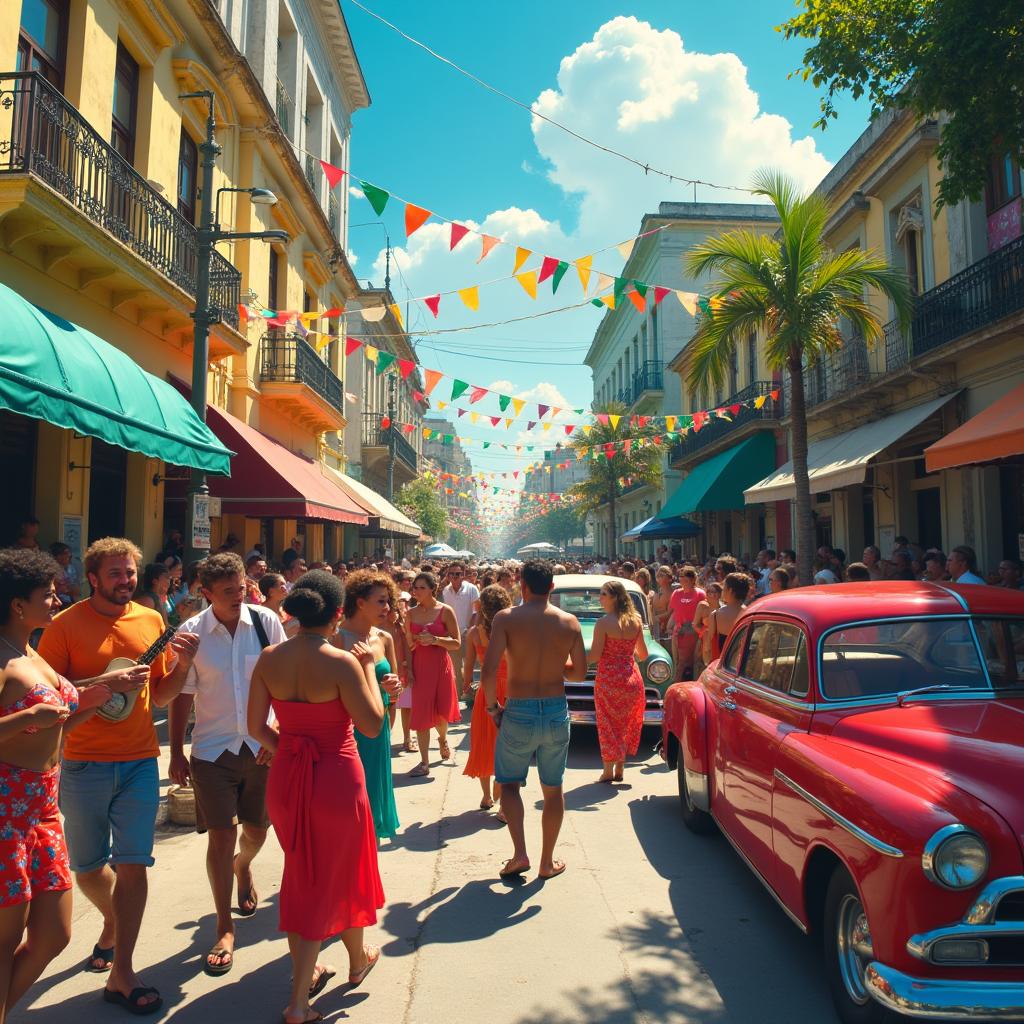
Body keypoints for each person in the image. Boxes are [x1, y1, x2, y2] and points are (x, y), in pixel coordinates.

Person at [37, 537, 199, 1015]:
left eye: (130, 572)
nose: (126, 581)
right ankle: (112, 919)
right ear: (92, 577)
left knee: (133, 863)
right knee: (87, 867)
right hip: (83, 762)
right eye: (115, 574)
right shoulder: (64, 627)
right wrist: (104, 685)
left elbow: (163, 694)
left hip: (138, 761)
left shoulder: (152, 622)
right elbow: (47, 697)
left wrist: (184, 665)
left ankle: (122, 971)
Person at [246, 571, 384, 1024]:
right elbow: (372, 724)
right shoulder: (342, 662)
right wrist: (370, 664)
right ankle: (298, 1003)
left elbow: (253, 728)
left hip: (288, 776)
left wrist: (285, 747)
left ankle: (355, 957)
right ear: (338, 613)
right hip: (336, 778)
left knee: (305, 871)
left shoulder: (269, 657)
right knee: (329, 875)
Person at [0, 549, 113, 1024]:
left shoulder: (30, 652)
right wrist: (27, 716)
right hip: (7, 813)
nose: (57, 598)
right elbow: (38, 720)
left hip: (44, 809)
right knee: (4, 945)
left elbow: (61, 720)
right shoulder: (4, 662)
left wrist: (106, 690)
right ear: (16, 606)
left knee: (53, 935)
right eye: (46, 594)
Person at [166, 553, 287, 978]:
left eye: (242, 588)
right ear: (206, 593)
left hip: (260, 747)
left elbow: (282, 681)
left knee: (257, 831)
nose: (239, 597)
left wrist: (277, 731)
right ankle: (223, 925)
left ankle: (244, 866)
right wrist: (177, 752)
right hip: (212, 751)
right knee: (220, 837)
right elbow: (181, 695)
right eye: (229, 592)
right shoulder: (191, 633)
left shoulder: (265, 622)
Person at [481, 560, 587, 880]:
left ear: (521, 585)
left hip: (519, 709)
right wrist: (556, 665)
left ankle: (519, 855)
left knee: (510, 784)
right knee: (553, 790)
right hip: (555, 709)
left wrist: (491, 708)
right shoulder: (569, 622)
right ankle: (546, 862)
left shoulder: (506, 618)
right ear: (551, 588)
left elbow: (487, 672)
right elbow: (580, 673)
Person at [334, 571, 403, 841]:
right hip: (347, 727)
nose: (387, 608)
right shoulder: (337, 637)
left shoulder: (384, 638)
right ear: (360, 602)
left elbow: (395, 686)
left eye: (388, 601)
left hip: (379, 724)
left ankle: (367, 856)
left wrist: (393, 686)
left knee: (373, 788)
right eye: (381, 602)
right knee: (351, 793)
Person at [588, 580, 647, 784]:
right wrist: (625, 655)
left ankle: (607, 771)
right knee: (624, 723)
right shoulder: (636, 621)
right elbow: (644, 654)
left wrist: (574, 661)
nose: (600, 598)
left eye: (603, 594)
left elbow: (595, 656)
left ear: (614, 597)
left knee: (607, 724)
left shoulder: (603, 623)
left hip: (608, 679)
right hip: (631, 679)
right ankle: (620, 768)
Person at [405, 572, 461, 776]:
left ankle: (443, 738)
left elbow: (456, 643)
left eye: (420, 587)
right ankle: (424, 762)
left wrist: (435, 639)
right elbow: (407, 644)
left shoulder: (445, 611)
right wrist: (408, 669)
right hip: (420, 666)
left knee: (441, 711)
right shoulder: (410, 613)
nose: (416, 591)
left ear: (432, 589)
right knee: (421, 713)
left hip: (440, 666)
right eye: (414, 587)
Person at [463, 584, 512, 813]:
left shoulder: (474, 632)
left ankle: (486, 797)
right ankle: (501, 799)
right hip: (509, 690)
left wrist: (466, 687)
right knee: (506, 745)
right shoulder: (511, 630)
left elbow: (469, 665)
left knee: (483, 740)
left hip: (486, 690)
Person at [440, 562, 479, 700]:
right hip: (452, 635)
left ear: (463, 575)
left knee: (469, 666)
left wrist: (470, 631)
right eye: (452, 574)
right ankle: (457, 697)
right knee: (455, 667)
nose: (455, 576)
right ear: (448, 575)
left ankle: (471, 694)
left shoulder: (472, 589)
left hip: (467, 633)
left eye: (458, 574)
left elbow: (476, 612)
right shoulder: (445, 591)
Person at [383, 594, 416, 753]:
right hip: (383, 672)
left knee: (406, 706)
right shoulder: (375, 626)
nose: (392, 612)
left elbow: (407, 649)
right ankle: (385, 740)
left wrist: (409, 669)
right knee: (388, 706)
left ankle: (407, 738)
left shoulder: (400, 626)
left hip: (401, 670)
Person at [702, 573, 751, 664]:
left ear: (730, 590)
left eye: (724, 588)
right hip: (742, 667)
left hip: (722, 667)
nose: (722, 591)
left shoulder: (716, 615)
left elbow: (708, 648)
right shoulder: (749, 614)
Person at [669, 567, 705, 682]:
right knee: (677, 660)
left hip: (692, 629)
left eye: (685, 577)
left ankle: (678, 684)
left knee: (687, 662)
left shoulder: (700, 594)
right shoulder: (676, 593)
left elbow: (703, 613)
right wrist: (670, 626)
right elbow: (675, 612)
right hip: (678, 629)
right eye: (681, 577)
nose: (682, 580)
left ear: (693, 579)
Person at [691, 581, 722, 679]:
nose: (711, 595)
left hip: (718, 638)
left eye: (715, 592)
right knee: (704, 664)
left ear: (720, 593)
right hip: (705, 639)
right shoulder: (702, 606)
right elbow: (695, 624)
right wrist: (704, 633)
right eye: (709, 592)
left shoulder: (723, 607)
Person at [48, 542, 80, 607]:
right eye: (64, 553)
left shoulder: (71, 568)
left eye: (68, 553)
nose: (68, 555)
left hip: (71, 602)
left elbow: (76, 588)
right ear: (55, 556)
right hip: (58, 603)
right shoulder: (51, 570)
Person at [650, 566, 674, 643]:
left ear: (669, 578)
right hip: (655, 625)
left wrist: (655, 619)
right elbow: (653, 608)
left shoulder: (673, 594)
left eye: (662, 575)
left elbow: (669, 613)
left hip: (666, 627)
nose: (659, 577)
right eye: (658, 575)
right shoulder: (657, 592)